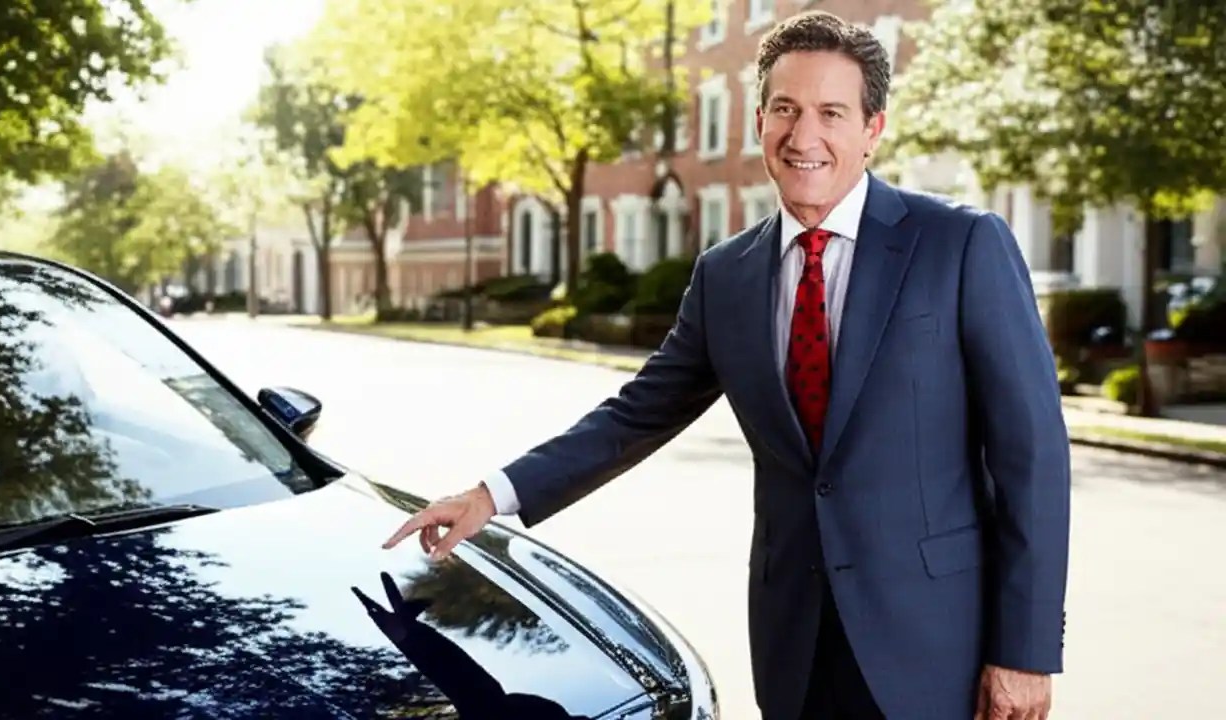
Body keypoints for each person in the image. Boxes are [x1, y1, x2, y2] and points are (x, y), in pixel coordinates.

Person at [384, 10, 1070, 720]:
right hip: (793, 638)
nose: (804, 136)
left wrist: (1023, 650)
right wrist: (492, 495)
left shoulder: (959, 246)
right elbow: (634, 415)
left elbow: (1033, 458)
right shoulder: (727, 276)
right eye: (785, 109)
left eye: (832, 112)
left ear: (873, 130)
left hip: (936, 643)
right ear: (758, 121)